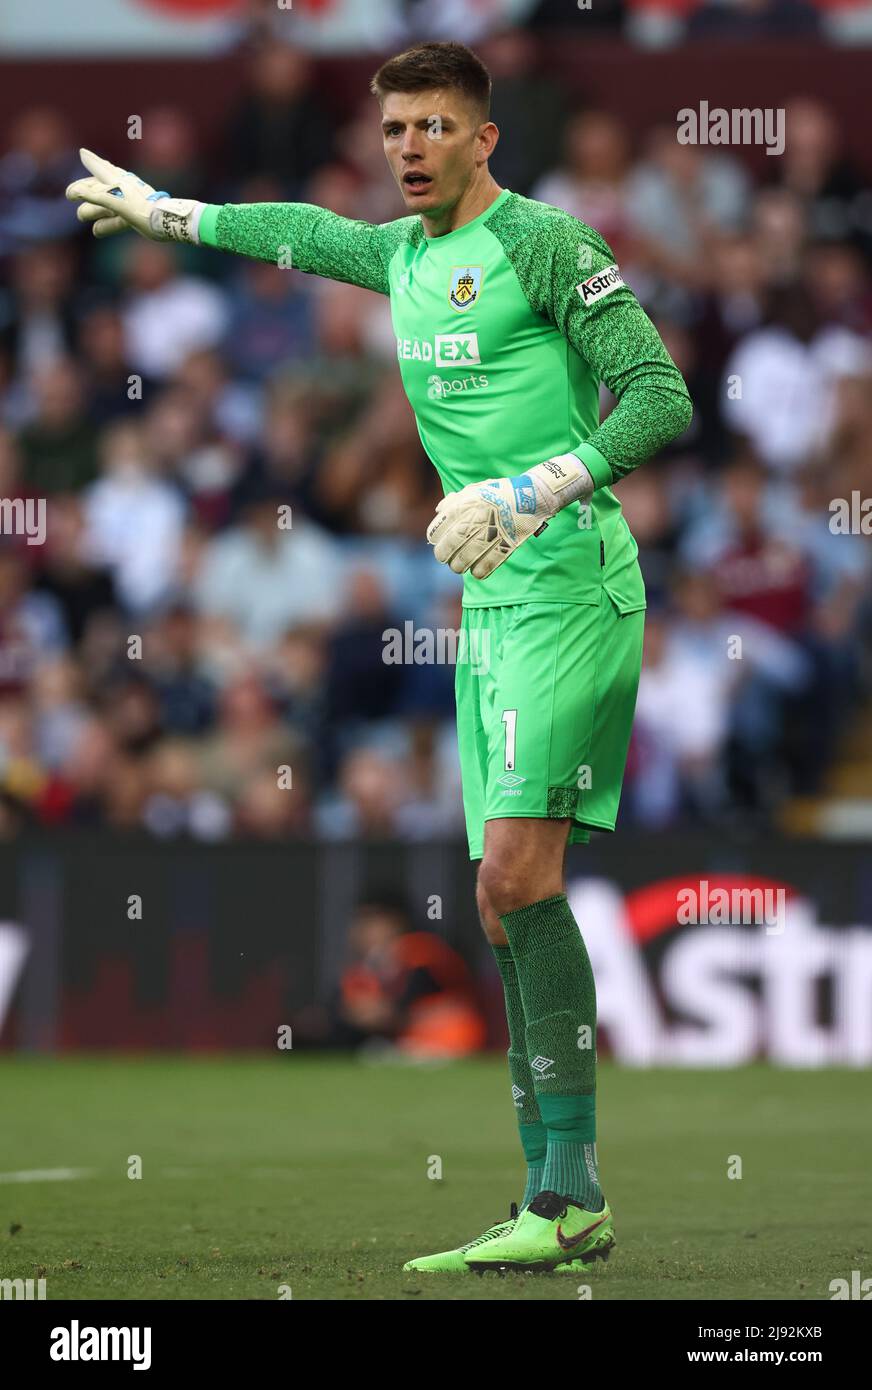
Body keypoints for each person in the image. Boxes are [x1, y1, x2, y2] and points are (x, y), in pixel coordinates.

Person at [66, 39, 692, 1275]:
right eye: (393, 128)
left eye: (432, 127)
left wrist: (534, 484)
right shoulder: (398, 256)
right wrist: (166, 209)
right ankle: (557, 1196)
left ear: (483, 138)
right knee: (499, 898)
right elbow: (295, 228)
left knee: (515, 876)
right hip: (490, 601)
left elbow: (661, 398)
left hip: (569, 581)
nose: (407, 148)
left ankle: (567, 1199)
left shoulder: (547, 246)